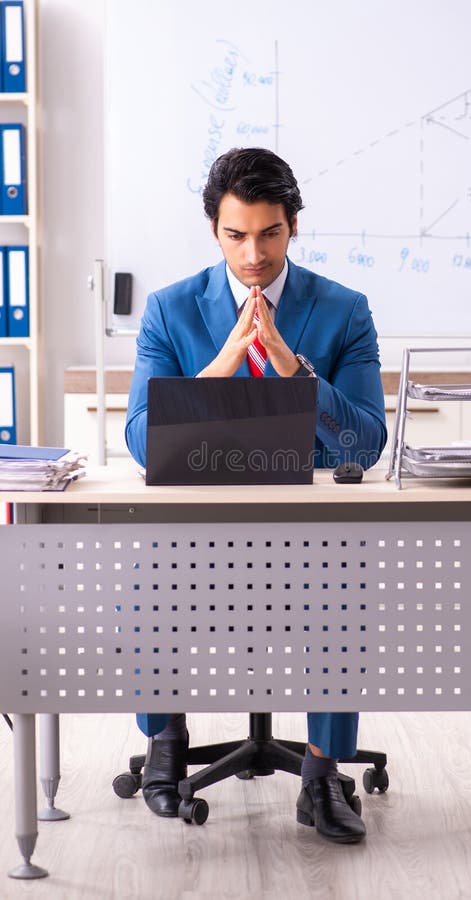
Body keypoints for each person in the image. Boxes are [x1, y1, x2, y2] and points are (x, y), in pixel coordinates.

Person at [125, 147, 387, 844]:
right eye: (236, 235)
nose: (252, 254)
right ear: (214, 229)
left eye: (268, 234)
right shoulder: (170, 310)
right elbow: (142, 443)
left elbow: (362, 446)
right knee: (140, 578)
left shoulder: (343, 312)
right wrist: (214, 375)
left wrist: (294, 372)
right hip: (193, 536)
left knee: (341, 589)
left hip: (309, 534)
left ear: (292, 226)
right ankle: (165, 740)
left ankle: (323, 773)